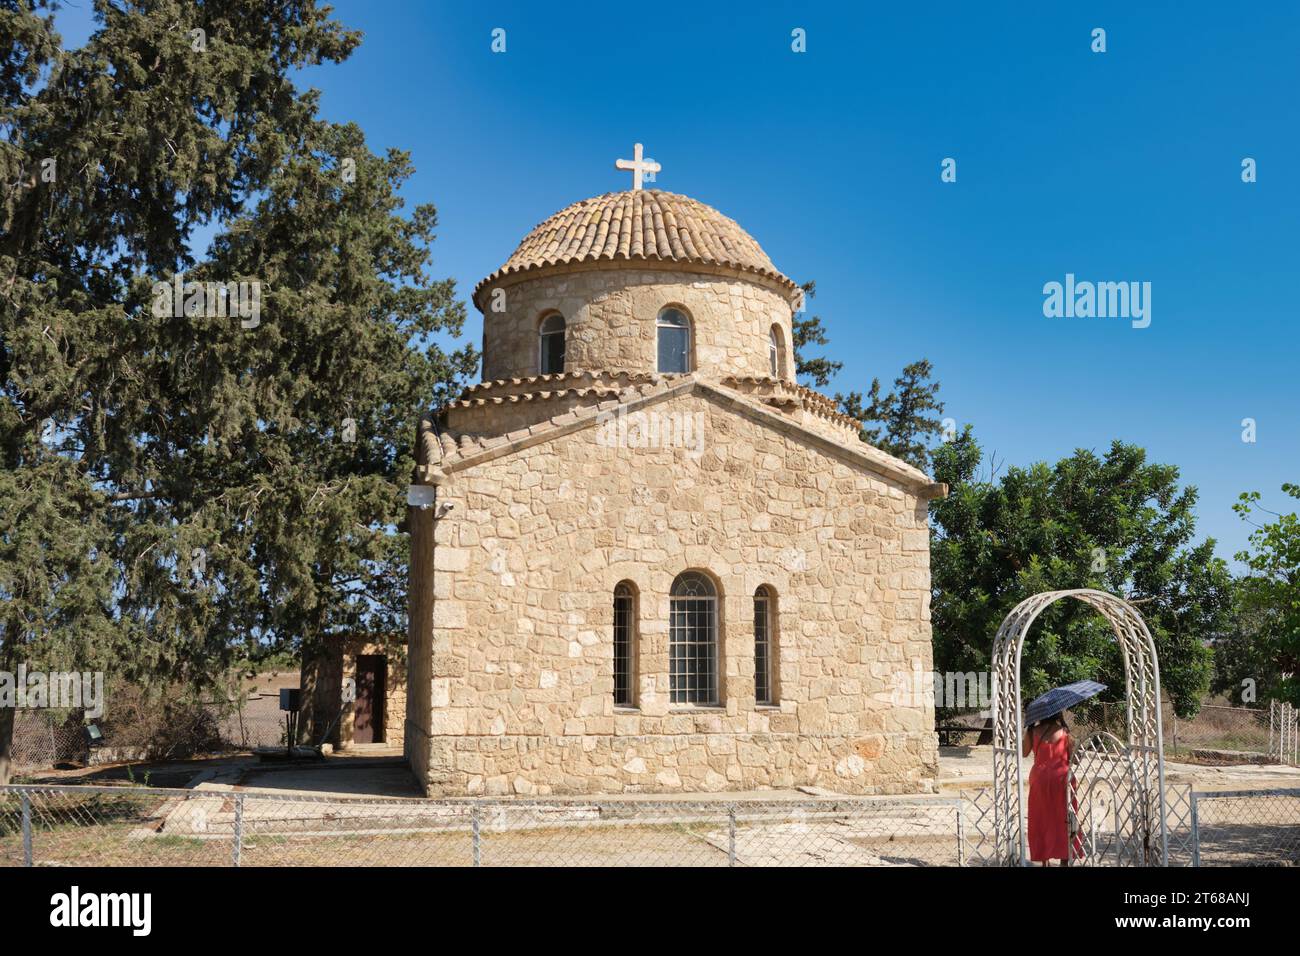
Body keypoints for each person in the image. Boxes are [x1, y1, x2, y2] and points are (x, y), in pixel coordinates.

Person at [1022, 710, 1082, 865]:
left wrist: (1028, 729)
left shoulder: (1033, 731)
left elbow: (1023, 752)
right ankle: (1065, 858)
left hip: (1040, 779)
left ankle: (1044, 861)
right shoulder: (1065, 731)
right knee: (1065, 818)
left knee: (1041, 819)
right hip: (1062, 779)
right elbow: (1076, 758)